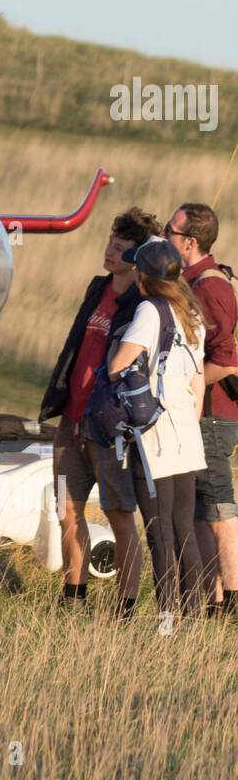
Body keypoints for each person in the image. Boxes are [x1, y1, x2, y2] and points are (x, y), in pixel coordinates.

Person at [40, 207, 160, 613]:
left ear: (137, 257)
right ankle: (74, 598)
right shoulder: (97, 287)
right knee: (65, 508)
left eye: (120, 247)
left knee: (119, 513)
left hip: (109, 429)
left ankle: (124, 606)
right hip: (69, 422)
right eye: (109, 241)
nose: (109, 251)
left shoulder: (143, 304)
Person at [107, 237, 206, 621]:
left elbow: (119, 365)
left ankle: (166, 619)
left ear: (145, 276)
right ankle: (192, 616)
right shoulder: (190, 310)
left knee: (158, 529)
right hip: (186, 430)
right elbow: (197, 380)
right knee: (184, 526)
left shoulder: (149, 309)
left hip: (155, 434)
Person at [165, 203, 238, 614]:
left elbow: (226, 360)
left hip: (211, 415)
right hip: (202, 413)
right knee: (198, 506)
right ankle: (209, 598)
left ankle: (230, 598)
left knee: (216, 505)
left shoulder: (209, 288)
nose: (164, 236)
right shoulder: (193, 281)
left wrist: (182, 386)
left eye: (169, 231)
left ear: (189, 243)